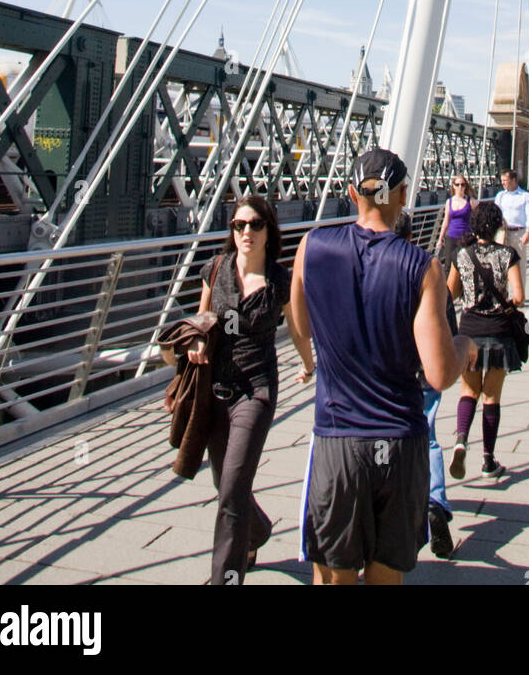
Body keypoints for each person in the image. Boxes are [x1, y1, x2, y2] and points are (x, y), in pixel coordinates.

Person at [290, 147, 476, 586]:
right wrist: (464, 343)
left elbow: (298, 324)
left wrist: (311, 361)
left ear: (352, 192)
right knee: (385, 577)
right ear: (403, 195)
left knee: (333, 578)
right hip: (399, 442)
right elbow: (438, 375)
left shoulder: (311, 247)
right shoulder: (422, 267)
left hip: (338, 440)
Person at [191, 193, 314, 585]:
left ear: (268, 230)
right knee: (224, 483)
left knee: (231, 489)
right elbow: (203, 319)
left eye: (255, 225)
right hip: (216, 388)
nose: (246, 232)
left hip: (257, 390)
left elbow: (296, 326)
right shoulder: (215, 269)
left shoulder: (280, 281)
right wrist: (195, 344)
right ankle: (257, 530)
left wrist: (309, 364)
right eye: (239, 225)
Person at [395, 210, 458, 560]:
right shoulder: (429, 270)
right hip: (424, 374)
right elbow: (446, 324)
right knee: (428, 437)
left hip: (387, 375)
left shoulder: (368, 270)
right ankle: (434, 500)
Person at [447, 200, 524, 481]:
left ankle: (460, 440)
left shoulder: (462, 255)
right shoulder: (507, 255)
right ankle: (488, 460)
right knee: (492, 396)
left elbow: (450, 293)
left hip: (468, 333)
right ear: (497, 226)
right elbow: (519, 296)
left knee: (468, 392)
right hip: (498, 333)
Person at [494, 168, 529, 295]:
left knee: (520, 264)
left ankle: (519, 295)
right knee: (502, 264)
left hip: (519, 233)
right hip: (503, 233)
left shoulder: (524, 196)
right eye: (502, 181)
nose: (503, 183)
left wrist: (528, 232)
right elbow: (495, 213)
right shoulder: (500, 196)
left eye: (506, 180)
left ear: (513, 180)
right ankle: (503, 294)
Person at [436, 174, 477, 272]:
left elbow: (478, 217)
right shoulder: (449, 202)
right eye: (457, 184)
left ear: (465, 186)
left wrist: (476, 234)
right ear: (453, 186)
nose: (460, 187)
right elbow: (446, 221)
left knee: (465, 265)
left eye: (462, 185)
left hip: (465, 237)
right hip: (451, 237)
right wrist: (440, 239)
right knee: (448, 266)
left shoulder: (470, 201)